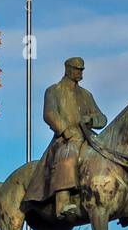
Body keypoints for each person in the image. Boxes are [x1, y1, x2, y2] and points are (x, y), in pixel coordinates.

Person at [40, 57, 107, 219]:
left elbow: (102, 118)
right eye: (77, 69)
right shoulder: (54, 91)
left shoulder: (86, 95)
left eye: (82, 69)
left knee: (109, 154)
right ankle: (62, 201)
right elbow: (49, 114)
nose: (80, 72)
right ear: (68, 69)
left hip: (88, 138)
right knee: (68, 155)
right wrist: (64, 129)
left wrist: (91, 119)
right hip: (66, 139)